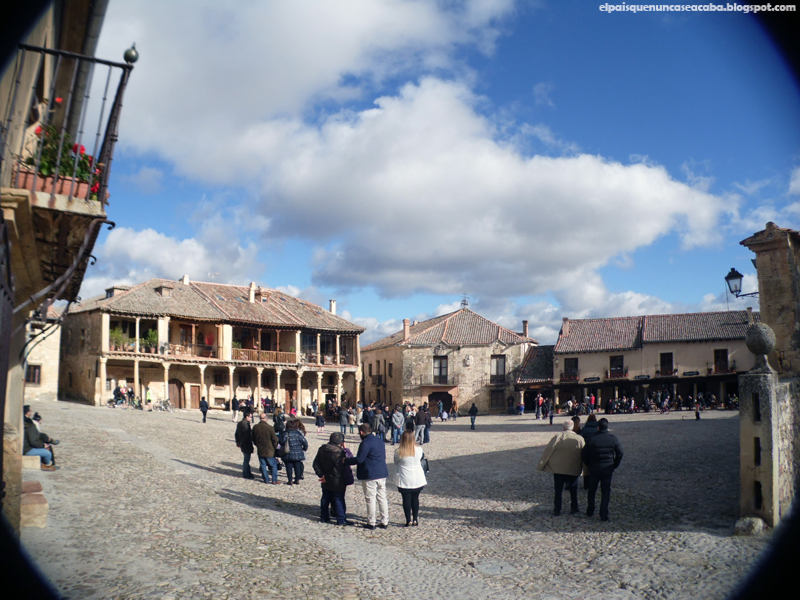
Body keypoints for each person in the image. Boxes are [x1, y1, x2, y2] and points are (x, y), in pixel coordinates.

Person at [345, 423, 389, 530]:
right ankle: (385, 520)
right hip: (382, 473)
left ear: (361, 432)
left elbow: (359, 459)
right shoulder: (379, 440)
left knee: (371, 499)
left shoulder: (365, 443)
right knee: (382, 498)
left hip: (370, 474)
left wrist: (346, 460)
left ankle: (371, 522)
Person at [537, 421, 586, 515]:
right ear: (573, 428)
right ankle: (574, 507)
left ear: (564, 428)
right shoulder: (579, 438)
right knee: (573, 489)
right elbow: (584, 454)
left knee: (558, 490)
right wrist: (585, 469)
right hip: (573, 467)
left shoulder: (558, 437)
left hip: (559, 468)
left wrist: (542, 464)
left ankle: (557, 509)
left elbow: (548, 451)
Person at [581, 418, 623, 521]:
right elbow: (620, 453)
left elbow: (584, 454)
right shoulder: (613, 439)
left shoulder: (592, 439)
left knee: (592, 490)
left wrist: (589, 464)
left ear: (598, 427)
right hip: (607, 468)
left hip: (594, 468)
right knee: (605, 491)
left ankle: (590, 510)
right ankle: (603, 513)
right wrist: (614, 464)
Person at [313, 432, 350, 525]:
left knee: (325, 498)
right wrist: (326, 477)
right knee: (338, 498)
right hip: (337, 479)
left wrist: (321, 475)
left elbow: (315, 463)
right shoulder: (339, 452)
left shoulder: (322, 449)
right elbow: (338, 469)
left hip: (325, 478)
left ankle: (324, 517)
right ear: (341, 442)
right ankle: (341, 519)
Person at [393, 430, 427, 526]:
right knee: (415, 498)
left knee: (406, 499)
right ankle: (415, 519)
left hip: (404, 478)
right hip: (417, 478)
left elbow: (395, 462)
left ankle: (408, 520)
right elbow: (421, 459)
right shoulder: (419, 450)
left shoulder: (399, 451)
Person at [24, 407, 55, 471]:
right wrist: (43, 445)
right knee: (47, 453)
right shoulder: (30, 428)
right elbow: (33, 442)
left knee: (47, 448)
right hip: (27, 449)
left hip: (27, 447)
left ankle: (48, 464)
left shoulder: (27, 426)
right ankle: (47, 465)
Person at [252, 413, 280, 484]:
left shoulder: (255, 427)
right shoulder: (270, 428)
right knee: (273, 465)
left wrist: (257, 444)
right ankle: (274, 480)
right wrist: (275, 446)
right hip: (269, 450)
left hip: (260, 449)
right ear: (266, 418)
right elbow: (275, 439)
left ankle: (266, 479)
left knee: (263, 465)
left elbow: (253, 438)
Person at [283, 418, 308, 485]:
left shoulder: (286, 433)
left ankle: (290, 480)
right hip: (298, 453)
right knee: (297, 467)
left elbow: (282, 441)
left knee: (289, 468)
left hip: (288, 453)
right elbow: (304, 442)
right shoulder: (298, 433)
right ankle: (297, 479)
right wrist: (304, 448)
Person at [234, 409, 255, 479]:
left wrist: (238, 442)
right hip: (246, 444)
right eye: (250, 417)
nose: (251, 418)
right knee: (246, 460)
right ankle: (246, 473)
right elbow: (246, 436)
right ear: (247, 417)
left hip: (242, 444)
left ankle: (248, 472)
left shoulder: (240, 423)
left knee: (246, 459)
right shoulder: (246, 424)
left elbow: (236, 434)